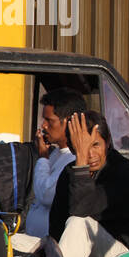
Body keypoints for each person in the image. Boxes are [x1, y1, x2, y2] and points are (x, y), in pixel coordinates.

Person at [48, 111, 129, 257]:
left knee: (79, 223)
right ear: (73, 148)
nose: (90, 155)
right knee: (17, 240)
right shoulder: (68, 173)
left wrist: (81, 164)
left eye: (95, 145)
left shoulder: (123, 170)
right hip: (79, 256)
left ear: (107, 142)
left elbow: (81, 210)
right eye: (84, 147)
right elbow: (56, 225)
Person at [22, 88, 85, 239]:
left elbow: (46, 194)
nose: (43, 126)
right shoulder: (57, 153)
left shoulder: (74, 159)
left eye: (49, 121)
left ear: (70, 121)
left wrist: (43, 157)